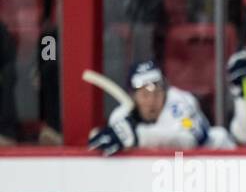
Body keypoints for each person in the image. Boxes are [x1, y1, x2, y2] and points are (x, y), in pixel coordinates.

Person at [88, 60, 235, 155]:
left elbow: (187, 139)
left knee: (219, 135)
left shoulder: (180, 104)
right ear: (133, 96)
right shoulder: (121, 116)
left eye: (157, 92)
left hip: (213, 170)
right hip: (164, 180)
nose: (152, 100)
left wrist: (138, 136)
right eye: (145, 94)